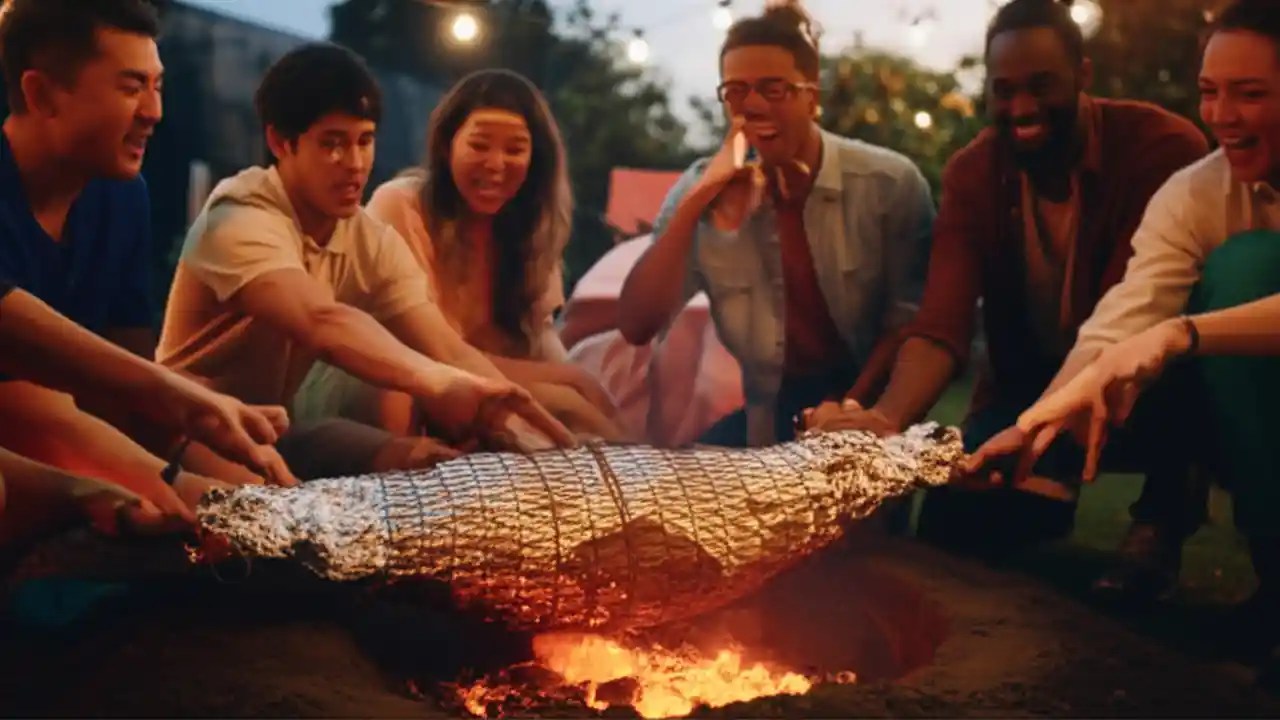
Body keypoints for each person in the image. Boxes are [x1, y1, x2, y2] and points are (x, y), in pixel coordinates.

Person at [804, 0, 1209, 568]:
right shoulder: (974, 173)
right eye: (1005, 90)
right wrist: (885, 419)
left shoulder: (1158, 147)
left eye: (1042, 86)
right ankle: (1045, 492)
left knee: (1186, 340)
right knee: (950, 523)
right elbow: (941, 325)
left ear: (1083, 77)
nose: (1022, 108)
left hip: (1143, 379)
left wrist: (1043, 435)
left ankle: (1163, 511)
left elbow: (1131, 314)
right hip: (1025, 386)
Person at [988, 0, 1280, 652]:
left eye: (1251, 94)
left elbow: (1164, 329)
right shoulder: (1198, 192)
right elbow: (1125, 316)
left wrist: (1183, 334)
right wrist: (1035, 423)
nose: (1222, 117)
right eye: (1210, 92)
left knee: (1248, 268)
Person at [158, 43, 576, 481]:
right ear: (281, 142)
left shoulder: (366, 237)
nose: (355, 164)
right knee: (274, 512)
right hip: (183, 430)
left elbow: (445, 347)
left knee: (422, 463)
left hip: (275, 431)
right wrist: (435, 381)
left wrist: (506, 414)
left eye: (365, 140)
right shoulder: (240, 213)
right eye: (333, 144)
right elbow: (320, 321)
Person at [0, 0, 292, 519]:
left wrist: (217, 446)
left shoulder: (123, 196)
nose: (154, 112)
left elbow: (127, 386)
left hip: (67, 432)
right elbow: (16, 338)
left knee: (266, 501)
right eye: (132, 87)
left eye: (156, 86)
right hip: (24, 437)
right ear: (41, 94)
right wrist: (178, 415)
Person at [618, 0, 935, 448]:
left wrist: (852, 411)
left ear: (812, 97)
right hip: (769, 416)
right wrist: (698, 203)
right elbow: (636, 324)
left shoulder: (889, 184)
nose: (752, 106)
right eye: (736, 91)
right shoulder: (703, 188)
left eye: (774, 90)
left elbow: (911, 322)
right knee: (678, 496)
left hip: (876, 403)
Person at [293, 69, 624, 441]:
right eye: (480, 146)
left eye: (514, 149)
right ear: (448, 145)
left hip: (470, 376)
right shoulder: (402, 204)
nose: (496, 164)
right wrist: (564, 384)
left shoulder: (531, 229)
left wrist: (581, 387)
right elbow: (426, 349)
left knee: (585, 405)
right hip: (387, 376)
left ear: (536, 159)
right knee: (556, 401)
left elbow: (540, 338)